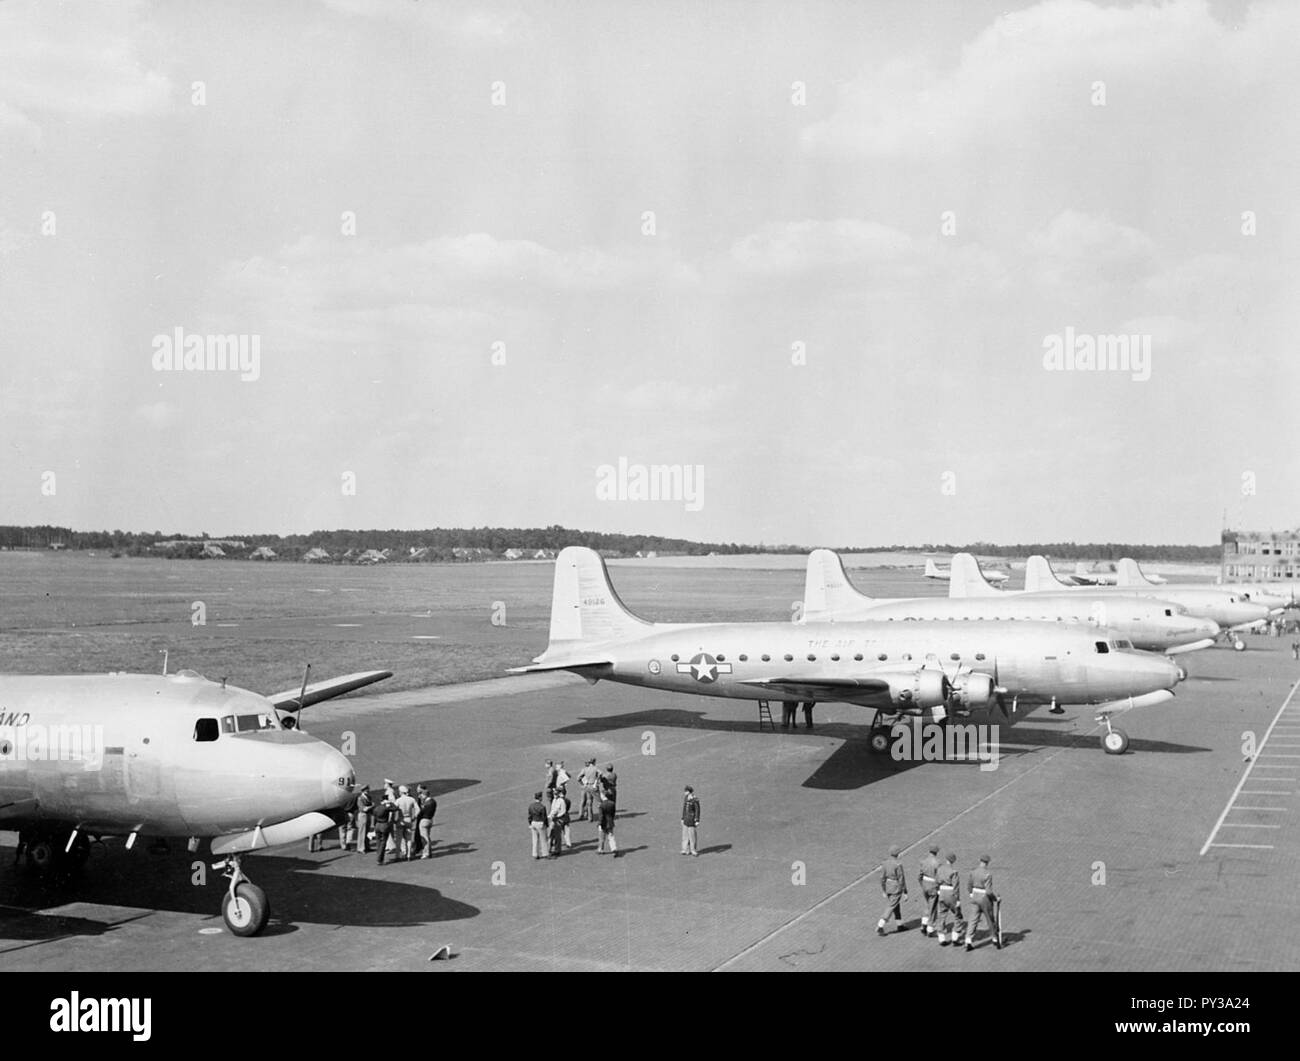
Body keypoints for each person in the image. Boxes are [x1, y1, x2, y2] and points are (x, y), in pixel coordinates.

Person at [965, 855, 1000, 951]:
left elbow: (969, 885)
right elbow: (988, 891)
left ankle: (968, 940)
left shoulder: (973, 872)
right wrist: (995, 899)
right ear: (987, 863)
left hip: (975, 897)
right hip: (984, 898)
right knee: (990, 919)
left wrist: (971, 894)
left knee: (973, 919)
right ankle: (994, 938)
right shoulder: (987, 874)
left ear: (979, 860)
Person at [936, 852, 966, 947]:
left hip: (942, 892)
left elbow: (937, 881)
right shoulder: (954, 872)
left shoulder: (940, 868)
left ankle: (941, 938)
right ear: (953, 861)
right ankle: (955, 938)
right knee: (958, 915)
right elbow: (956, 887)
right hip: (951, 893)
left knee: (941, 914)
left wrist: (938, 891)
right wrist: (957, 900)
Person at [876, 845, 908, 935]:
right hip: (896, 888)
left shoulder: (885, 863)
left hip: (888, 887)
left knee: (895, 906)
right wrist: (905, 891)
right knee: (891, 906)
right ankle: (880, 925)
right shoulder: (898, 864)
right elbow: (901, 878)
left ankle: (900, 925)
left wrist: (883, 889)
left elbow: (882, 877)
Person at [917, 843, 941, 937]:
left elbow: (919, 875)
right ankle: (930, 929)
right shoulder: (937, 863)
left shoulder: (923, 861)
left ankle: (924, 923)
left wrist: (922, 885)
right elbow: (939, 877)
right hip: (933, 886)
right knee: (933, 907)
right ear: (936, 852)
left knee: (927, 904)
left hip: (925, 885)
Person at [395, 784, 420, 861]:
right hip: (408, 819)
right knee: (409, 839)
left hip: (401, 820)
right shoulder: (411, 799)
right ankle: (408, 855)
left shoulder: (398, 800)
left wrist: (394, 820)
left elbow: (394, 810)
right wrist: (414, 817)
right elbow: (418, 809)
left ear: (401, 792)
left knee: (399, 839)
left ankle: (398, 856)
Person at [373, 796, 396, 865]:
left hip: (377, 825)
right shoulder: (386, 808)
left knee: (378, 842)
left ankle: (378, 857)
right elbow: (395, 808)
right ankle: (379, 859)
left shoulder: (376, 808)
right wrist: (391, 803)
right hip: (384, 825)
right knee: (383, 843)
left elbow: (374, 818)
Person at [416, 785, 438, 859]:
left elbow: (421, 812)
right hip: (430, 820)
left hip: (424, 820)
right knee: (428, 837)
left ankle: (426, 853)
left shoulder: (427, 803)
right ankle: (429, 852)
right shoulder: (433, 801)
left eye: (422, 795)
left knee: (424, 838)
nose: (421, 796)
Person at [527, 791, 549, 859]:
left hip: (533, 823)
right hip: (540, 823)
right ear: (540, 798)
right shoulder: (542, 807)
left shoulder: (531, 806)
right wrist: (546, 824)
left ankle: (535, 854)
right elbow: (544, 817)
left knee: (535, 839)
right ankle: (544, 853)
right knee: (543, 839)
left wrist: (530, 823)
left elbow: (529, 816)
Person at [680, 785, 701, 856]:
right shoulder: (686, 798)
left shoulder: (695, 800)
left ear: (689, 792)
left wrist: (697, 820)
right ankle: (685, 849)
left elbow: (697, 810)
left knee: (692, 836)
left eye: (685, 791)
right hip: (686, 819)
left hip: (692, 820)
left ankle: (693, 850)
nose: (684, 792)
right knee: (685, 835)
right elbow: (684, 808)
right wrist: (682, 818)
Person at [549, 788, 570, 855]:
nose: (554, 795)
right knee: (551, 835)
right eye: (554, 794)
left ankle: (557, 850)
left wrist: (556, 816)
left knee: (557, 836)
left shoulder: (561, 801)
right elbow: (552, 809)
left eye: (555, 794)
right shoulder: (554, 800)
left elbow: (562, 811)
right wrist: (551, 815)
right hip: (553, 819)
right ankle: (548, 849)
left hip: (558, 820)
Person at [354, 785, 373, 854]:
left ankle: (367, 846)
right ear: (363, 791)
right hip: (362, 815)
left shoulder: (369, 797)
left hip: (368, 815)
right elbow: (364, 809)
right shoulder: (360, 798)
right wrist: (371, 806)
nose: (368, 791)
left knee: (367, 832)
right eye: (367, 790)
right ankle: (361, 848)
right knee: (362, 832)